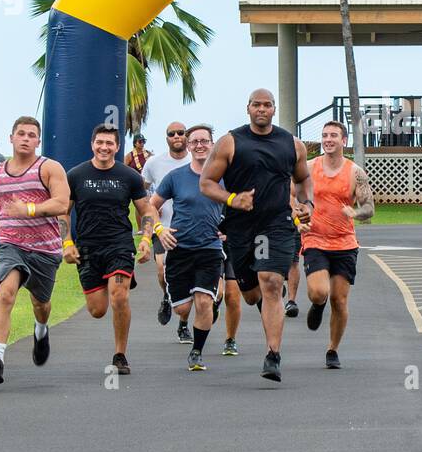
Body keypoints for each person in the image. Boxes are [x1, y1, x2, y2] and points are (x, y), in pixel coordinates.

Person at [199, 88, 314, 383]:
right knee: (250, 295)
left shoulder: (292, 144)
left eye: (267, 105)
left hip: (275, 224)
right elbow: (207, 183)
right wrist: (231, 199)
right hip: (240, 228)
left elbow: (303, 179)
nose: (261, 109)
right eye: (256, 105)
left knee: (271, 282)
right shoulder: (230, 142)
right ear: (247, 108)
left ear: (274, 109)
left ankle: (272, 355)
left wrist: (306, 203)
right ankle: (266, 299)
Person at [0, 116, 70, 384]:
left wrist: (29, 209)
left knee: (40, 304)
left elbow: (62, 203)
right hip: (10, 243)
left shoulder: (49, 168)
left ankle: (41, 330)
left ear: (38, 141)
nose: (26, 138)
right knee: (5, 294)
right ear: (11, 138)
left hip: (45, 248)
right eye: (21, 134)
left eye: (32, 135)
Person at [64, 124, 156, 375]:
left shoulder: (129, 176)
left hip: (119, 245)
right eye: (100, 142)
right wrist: (67, 243)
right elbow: (64, 213)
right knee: (97, 310)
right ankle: (104, 283)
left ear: (117, 147)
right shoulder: (75, 175)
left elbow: (146, 210)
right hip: (88, 247)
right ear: (92, 144)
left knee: (119, 296)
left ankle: (120, 355)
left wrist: (146, 239)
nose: (104, 147)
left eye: (109, 143)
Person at [300, 120, 375, 369]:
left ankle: (332, 349)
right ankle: (317, 305)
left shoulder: (355, 172)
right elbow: (291, 194)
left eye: (333, 135)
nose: (328, 139)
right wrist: (297, 217)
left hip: (344, 243)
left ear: (344, 140)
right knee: (319, 292)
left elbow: (369, 208)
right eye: (324, 135)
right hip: (315, 239)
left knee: (340, 301)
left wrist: (355, 214)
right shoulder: (310, 167)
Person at [152, 124, 226, 373]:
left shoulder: (224, 177)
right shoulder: (175, 177)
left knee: (204, 301)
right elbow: (151, 206)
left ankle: (197, 351)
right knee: (183, 307)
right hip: (179, 247)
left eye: (204, 141)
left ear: (212, 144)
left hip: (210, 247)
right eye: (194, 141)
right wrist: (160, 231)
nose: (199, 145)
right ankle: (184, 316)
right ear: (188, 145)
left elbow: (239, 205)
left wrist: (230, 229)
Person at [141, 121, 189, 335]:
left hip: (190, 228)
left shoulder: (197, 160)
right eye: (172, 133)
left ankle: (184, 323)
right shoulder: (154, 163)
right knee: (162, 271)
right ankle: (167, 296)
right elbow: (139, 194)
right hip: (163, 227)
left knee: (188, 277)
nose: (177, 136)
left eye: (181, 132)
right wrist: (148, 218)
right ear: (166, 137)